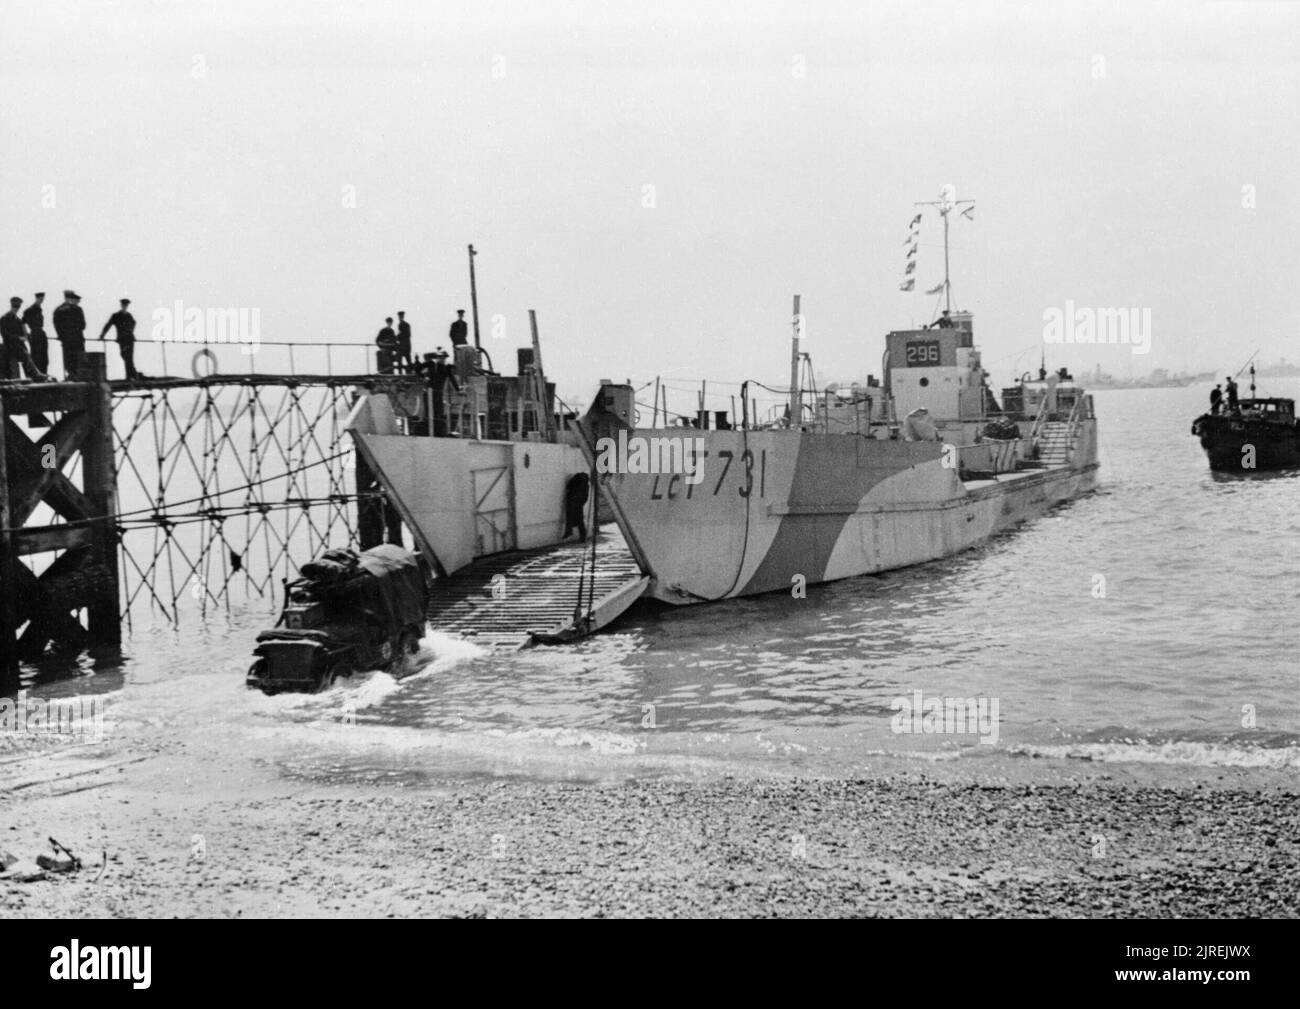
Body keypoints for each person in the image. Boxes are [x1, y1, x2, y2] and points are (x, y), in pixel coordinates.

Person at [2, 296, 47, 380]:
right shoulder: (4, 319)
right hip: (9, 346)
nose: (16, 309)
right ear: (11, 306)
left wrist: (27, 336)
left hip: (18, 346)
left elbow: (24, 334)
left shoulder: (18, 320)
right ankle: (36, 374)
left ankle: (31, 376)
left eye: (17, 307)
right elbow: (5, 335)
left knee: (26, 352)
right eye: (14, 306)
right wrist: (19, 338)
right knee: (24, 354)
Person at [100, 298, 140, 380]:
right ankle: (133, 374)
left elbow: (134, 323)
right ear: (121, 305)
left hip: (129, 339)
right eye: (123, 305)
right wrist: (102, 335)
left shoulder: (129, 316)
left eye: (126, 305)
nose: (125, 307)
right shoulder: (116, 316)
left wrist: (131, 331)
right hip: (122, 339)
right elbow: (108, 325)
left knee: (128, 357)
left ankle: (130, 375)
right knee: (125, 355)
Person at [52, 290, 87, 379]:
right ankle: (79, 377)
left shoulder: (58, 310)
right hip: (78, 339)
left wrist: (61, 336)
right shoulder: (77, 309)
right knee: (79, 360)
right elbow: (83, 325)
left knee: (68, 360)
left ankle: (71, 376)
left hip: (66, 340)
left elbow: (56, 325)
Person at [21, 292, 48, 374]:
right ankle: (38, 374)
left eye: (42, 299)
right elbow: (22, 323)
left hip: (41, 333)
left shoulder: (39, 309)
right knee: (37, 356)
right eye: (40, 299)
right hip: (35, 333)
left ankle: (43, 373)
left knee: (44, 357)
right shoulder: (30, 310)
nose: (41, 300)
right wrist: (26, 334)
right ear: (36, 298)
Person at [563, 471, 590, 542]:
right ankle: (581, 536)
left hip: (574, 502)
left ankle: (569, 532)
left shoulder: (576, 481)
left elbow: (569, 488)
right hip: (578, 503)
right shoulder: (585, 484)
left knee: (571, 518)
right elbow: (585, 497)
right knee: (579, 520)